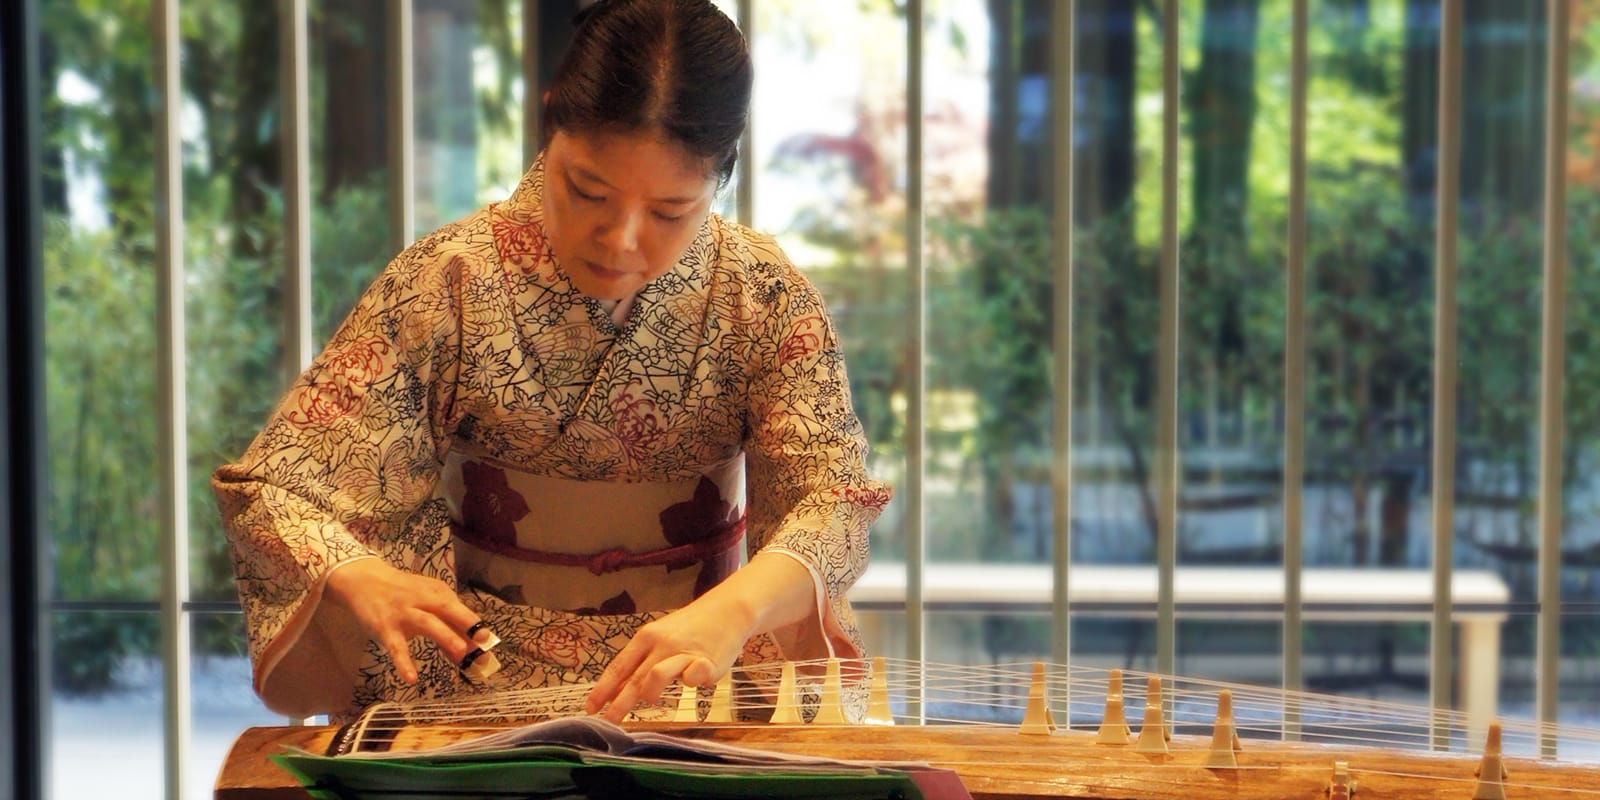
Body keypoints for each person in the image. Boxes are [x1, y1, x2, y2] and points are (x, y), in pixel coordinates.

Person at [213, 0, 890, 724]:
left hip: (696, 674)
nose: (622, 240)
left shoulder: (762, 292)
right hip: (482, 684)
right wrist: (360, 572)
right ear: (549, 125)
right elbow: (280, 486)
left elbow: (834, 501)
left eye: (669, 211)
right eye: (588, 190)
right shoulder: (449, 281)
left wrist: (732, 614)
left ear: (721, 174)